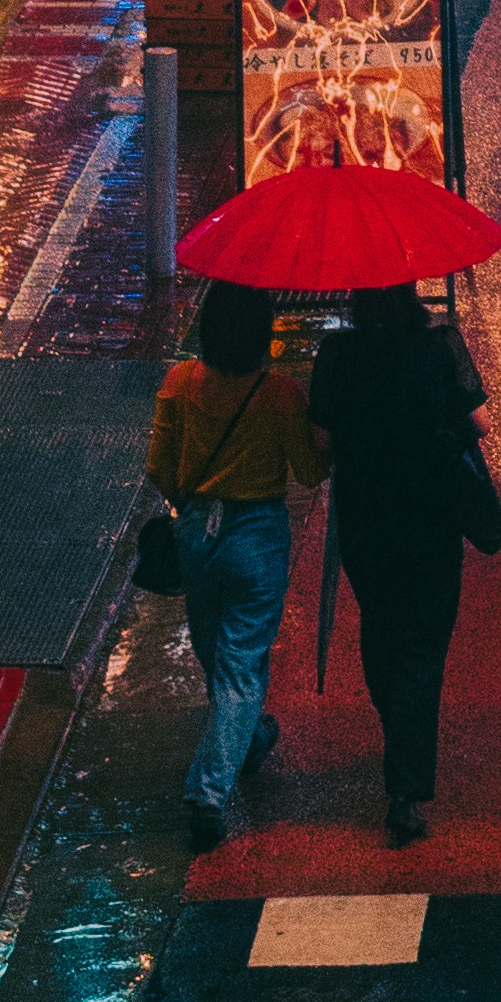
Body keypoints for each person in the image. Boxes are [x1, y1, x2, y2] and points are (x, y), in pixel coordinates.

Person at [311, 281, 501, 842]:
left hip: (366, 519)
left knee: (380, 626)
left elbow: (321, 444)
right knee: (422, 646)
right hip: (431, 515)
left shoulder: (337, 355)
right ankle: (405, 789)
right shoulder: (439, 345)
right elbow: (480, 424)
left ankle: (398, 732)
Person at [144, 281, 329, 849]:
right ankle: (208, 791)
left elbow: (159, 469)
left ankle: (249, 737)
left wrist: (189, 505)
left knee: (212, 650)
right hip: (257, 537)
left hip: (197, 534)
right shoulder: (281, 396)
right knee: (241, 664)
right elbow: (308, 472)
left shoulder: (180, 383)